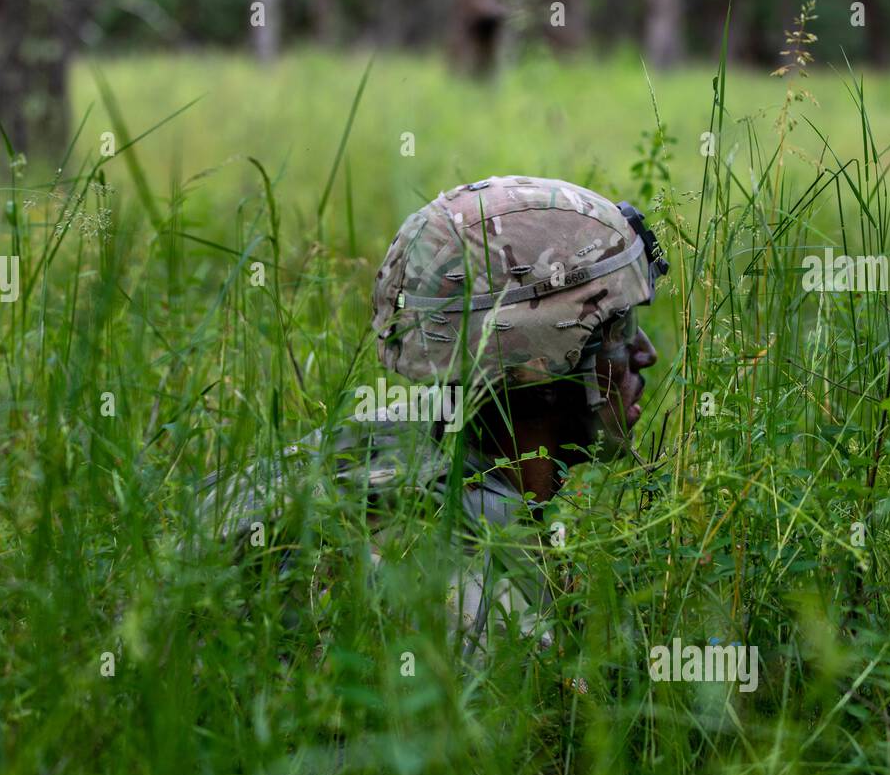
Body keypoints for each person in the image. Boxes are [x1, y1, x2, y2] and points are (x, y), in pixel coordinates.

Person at [202, 174, 664, 665]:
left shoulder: (395, 435)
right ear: (543, 359)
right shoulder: (465, 597)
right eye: (619, 330)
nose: (646, 355)